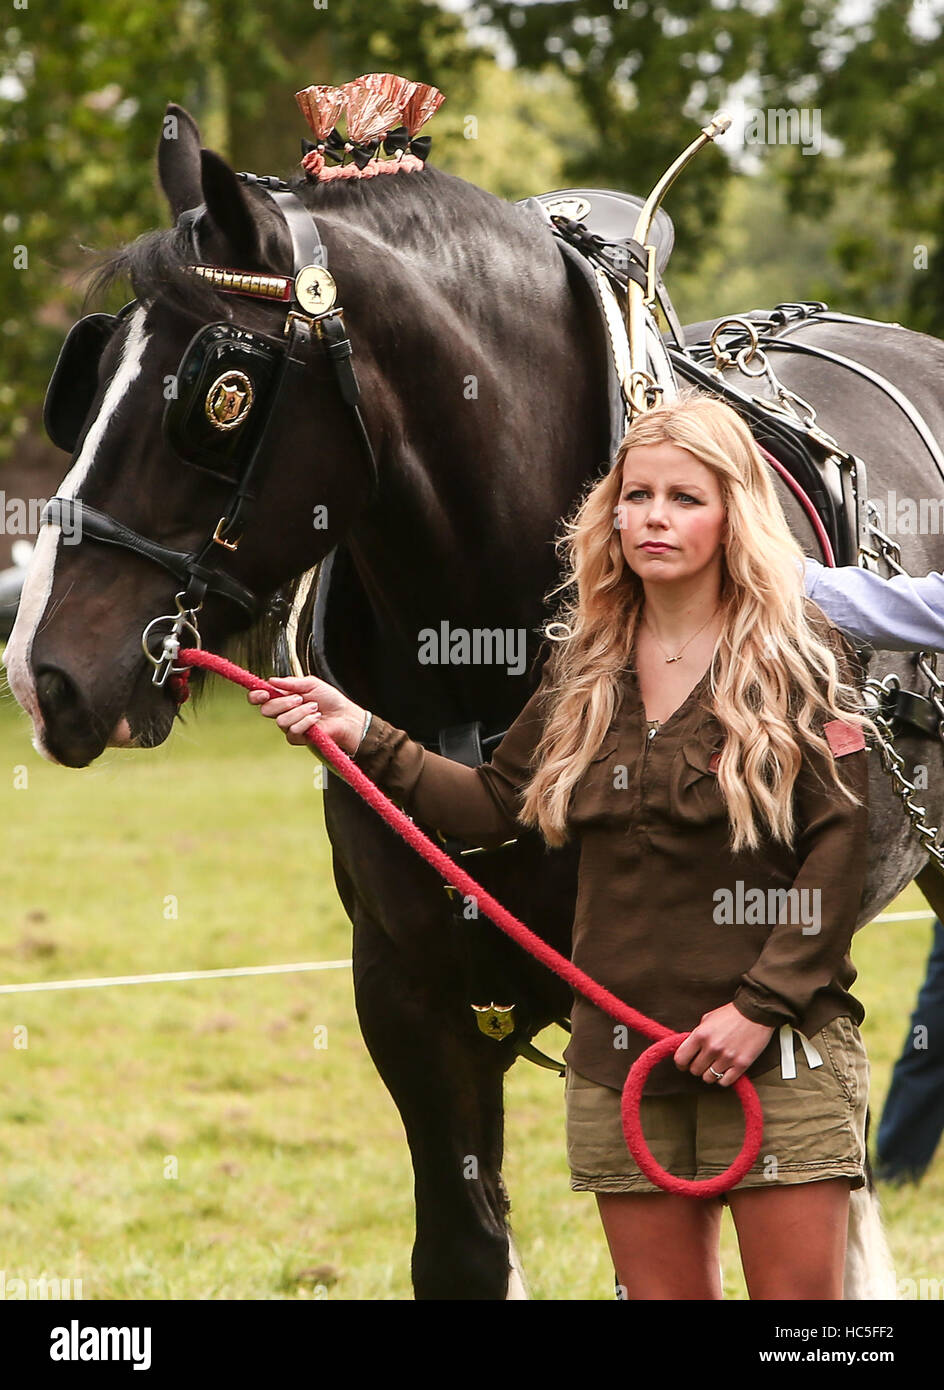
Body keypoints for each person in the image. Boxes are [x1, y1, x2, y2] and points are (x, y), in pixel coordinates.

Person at [250, 393, 876, 1300]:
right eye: (637, 494)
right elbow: (493, 805)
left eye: (685, 498)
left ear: (735, 513)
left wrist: (758, 1009)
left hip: (779, 1061)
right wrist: (361, 732)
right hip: (624, 1066)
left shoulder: (800, 659)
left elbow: (837, 853)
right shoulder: (583, 664)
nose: (653, 517)